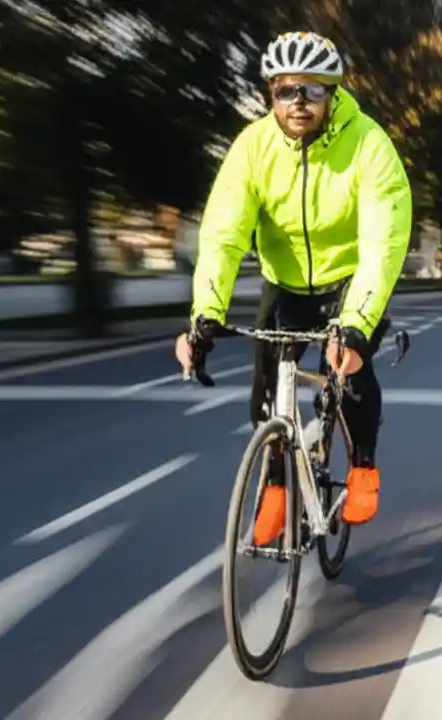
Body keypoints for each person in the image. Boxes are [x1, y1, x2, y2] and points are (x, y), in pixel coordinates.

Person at [175, 31, 412, 545]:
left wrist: (356, 325)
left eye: (312, 90)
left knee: (350, 371)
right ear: (270, 95)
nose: (298, 102)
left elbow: (383, 242)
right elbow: (222, 233)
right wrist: (204, 316)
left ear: (333, 93)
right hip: (285, 282)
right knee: (265, 388)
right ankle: (278, 487)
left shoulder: (369, 145)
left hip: (350, 278)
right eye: (286, 90)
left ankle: (363, 467)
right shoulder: (253, 147)